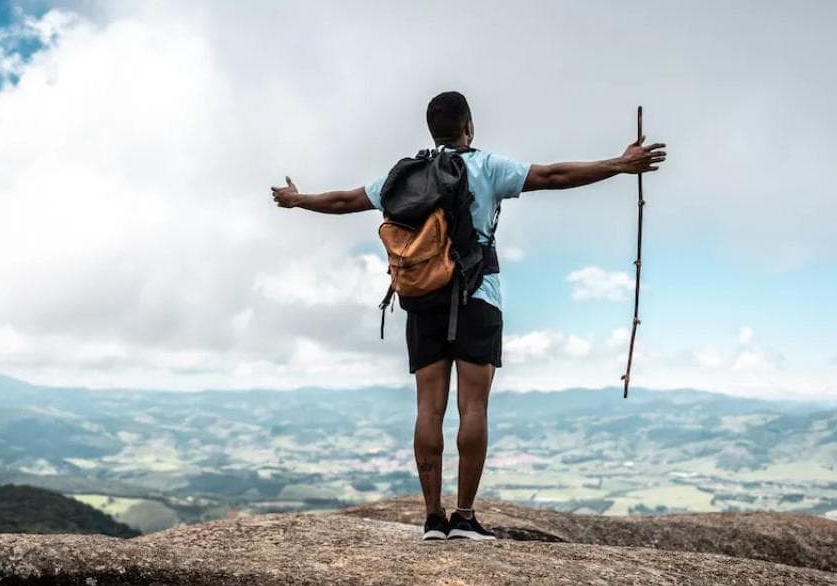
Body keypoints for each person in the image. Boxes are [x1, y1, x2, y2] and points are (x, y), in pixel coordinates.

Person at [271, 91, 666, 541]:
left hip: (422, 301)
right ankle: (463, 518)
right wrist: (618, 164)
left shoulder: (402, 177)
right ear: (469, 127)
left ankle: (432, 519)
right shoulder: (486, 167)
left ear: (431, 130)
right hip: (478, 296)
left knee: (428, 408)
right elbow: (553, 175)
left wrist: (298, 199)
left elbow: (344, 202)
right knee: (472, 407)